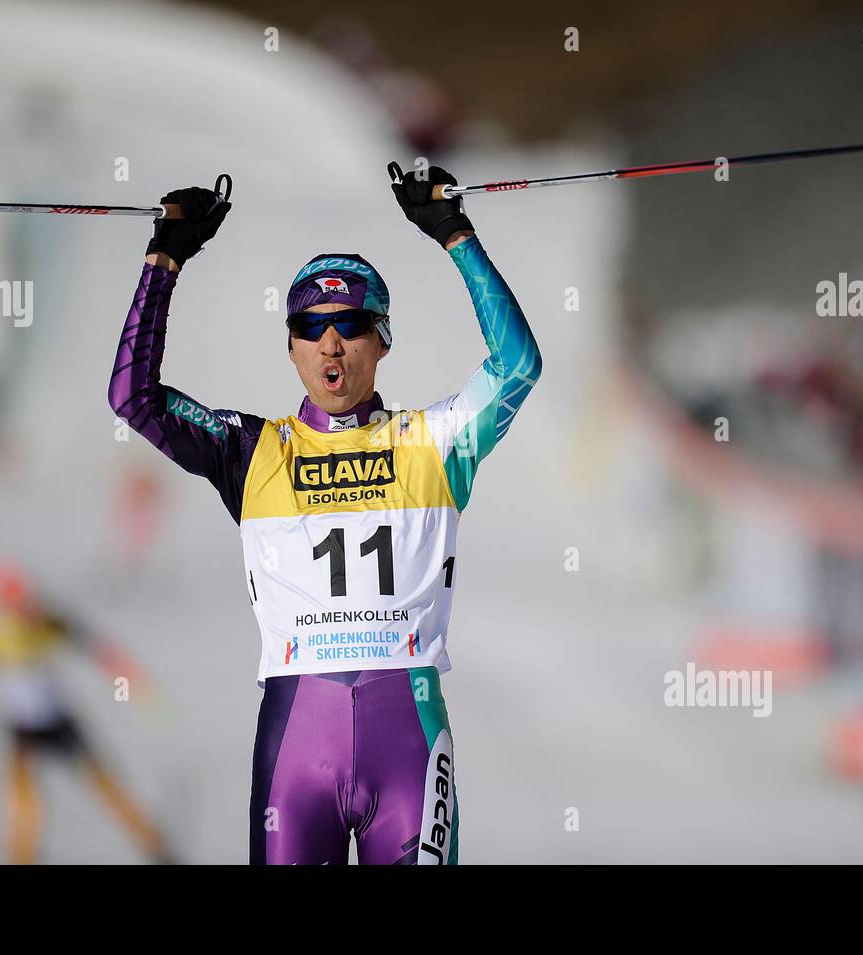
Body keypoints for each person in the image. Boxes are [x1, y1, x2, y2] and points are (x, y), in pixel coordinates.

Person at [108, 162, 542, 864]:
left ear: (382, 339)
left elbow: (518, 364)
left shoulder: (432, 441)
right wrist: (166, 257)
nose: (331, 343)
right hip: (296, 748)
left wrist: (455, 234)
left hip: (407, 738)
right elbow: (135, 398)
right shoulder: (254, 451)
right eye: (310, 326)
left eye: (350, 324)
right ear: (291, 346)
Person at [0, 560, 173, 864]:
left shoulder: (51, 619)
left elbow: (103, 652)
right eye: (15, 605)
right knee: (26, 810)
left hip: (59, 721)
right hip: (21, 730)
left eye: (25, 601)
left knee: (110, 787)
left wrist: (140, 689)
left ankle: (159, 851)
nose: (24, 610)